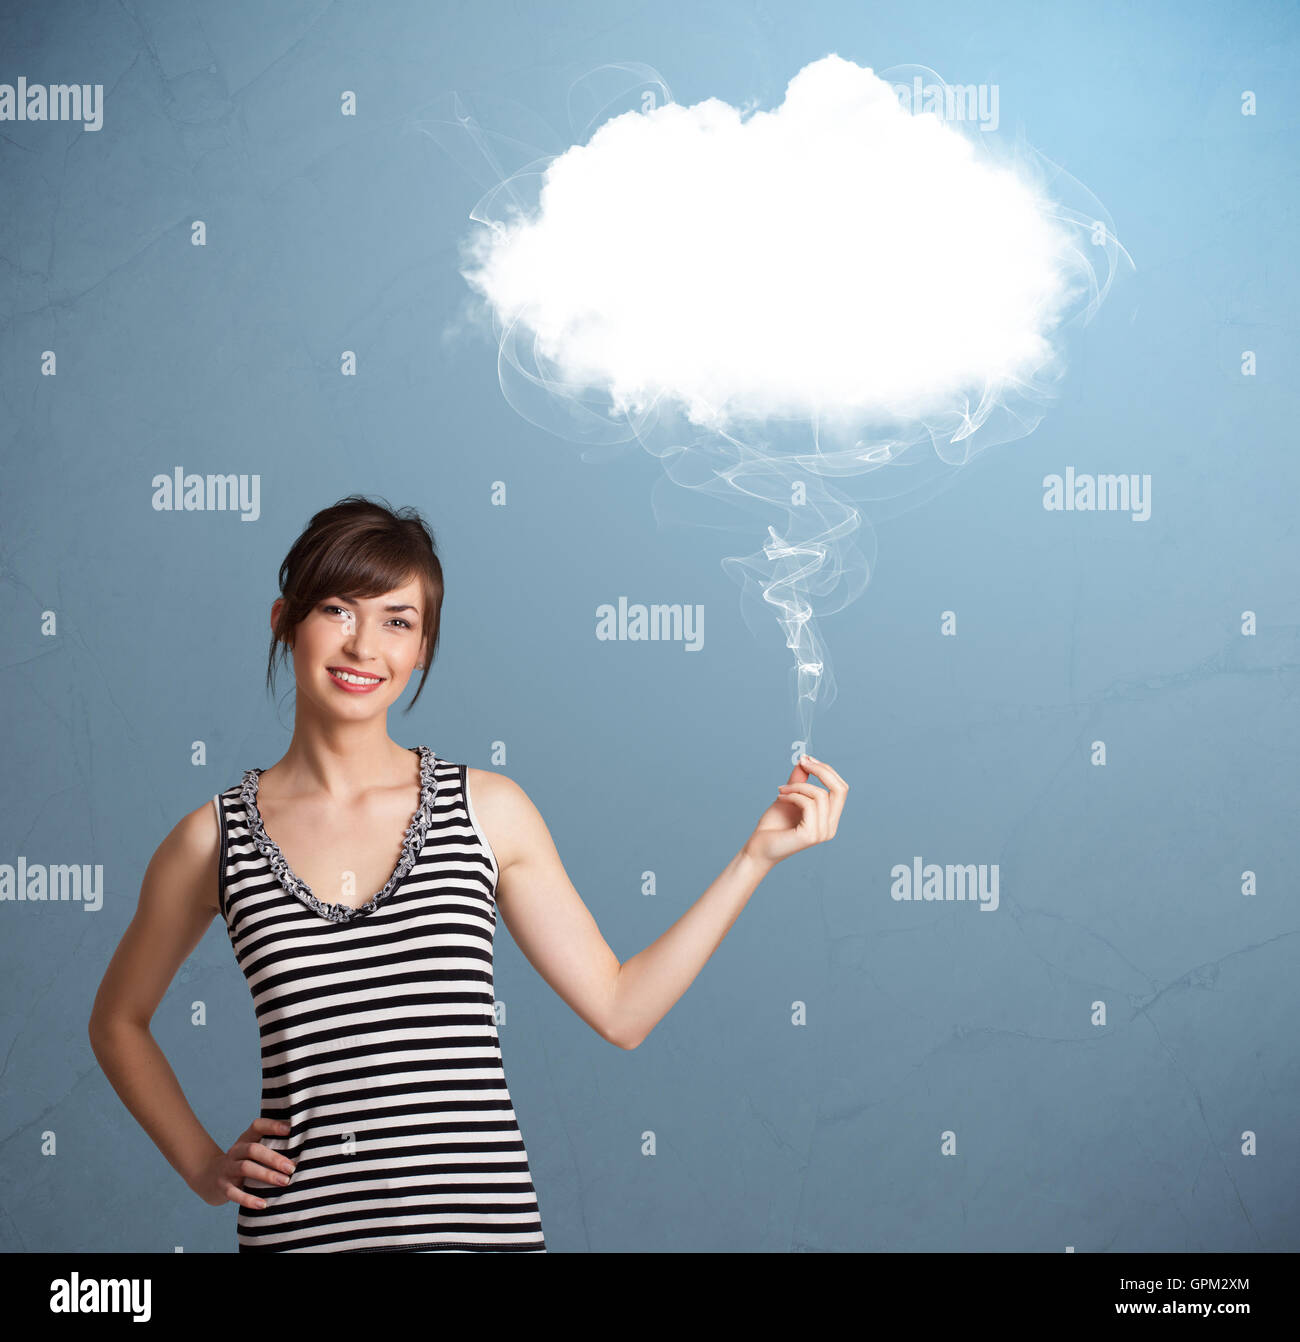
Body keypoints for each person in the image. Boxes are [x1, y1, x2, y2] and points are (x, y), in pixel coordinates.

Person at [88, 494, 849, 1252]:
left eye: (398, 621)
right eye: (337, 610)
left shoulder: (488, 809)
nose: (364, 647)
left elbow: (622, 1010)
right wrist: (200, 1164)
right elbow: (117, 1022)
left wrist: (754, 860)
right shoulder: (213, 838)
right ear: (285, 619)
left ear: (423, 647)